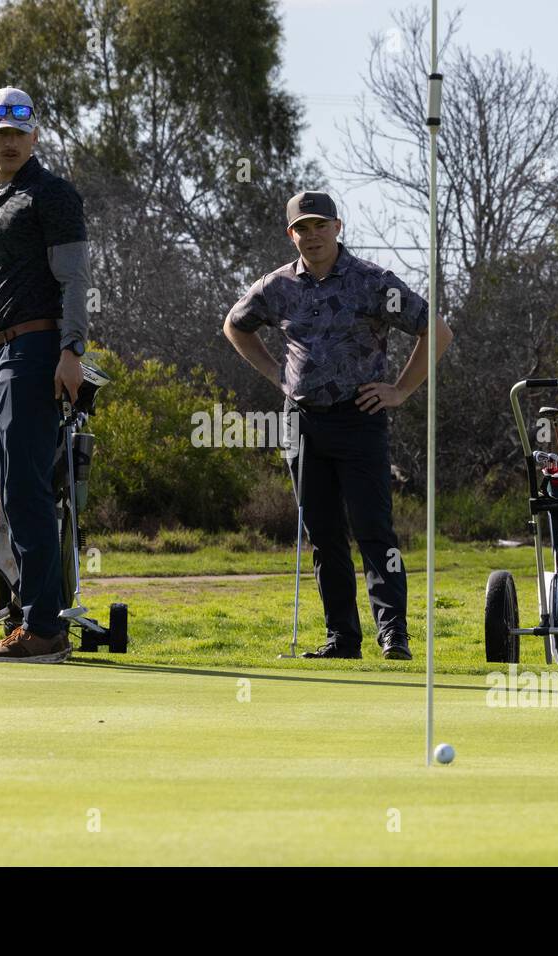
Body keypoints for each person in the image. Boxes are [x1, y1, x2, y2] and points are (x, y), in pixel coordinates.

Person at [223, 191, 454, 660]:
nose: (311, 236)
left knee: (375, 532)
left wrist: (401, 390)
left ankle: (394, 637)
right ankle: (343, 640)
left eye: (319, 226)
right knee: (325, 537)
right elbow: (235, 325)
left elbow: (437, 330)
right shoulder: (276, 286)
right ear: (291, 235)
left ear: (338, 227)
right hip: (303, 424)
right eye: (301, 229)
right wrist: (276, 375)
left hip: (360, 419)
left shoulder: (373, 282)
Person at [0, 87, 92, 664]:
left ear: (34, 136)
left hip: (38, 349)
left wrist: (71, 350)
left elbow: (75, 280)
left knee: (31, 491)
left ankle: (44, 629)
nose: (8, 142)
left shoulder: (53, 195)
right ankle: (31, 619)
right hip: (0, 360)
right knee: (15, 493)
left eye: (18, 133)